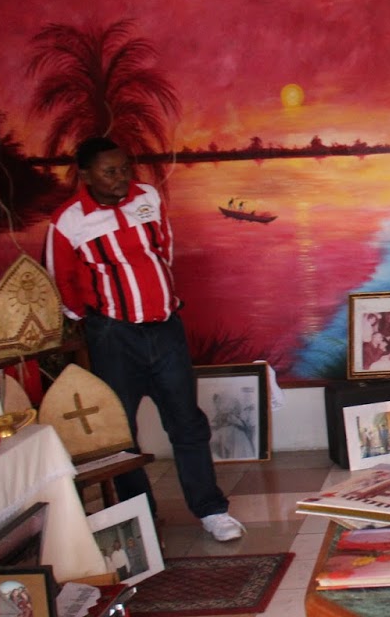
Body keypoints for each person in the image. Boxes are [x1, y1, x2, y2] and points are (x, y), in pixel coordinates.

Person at [45, 136, 245, 542]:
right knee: (121, 432)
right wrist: (94, 319)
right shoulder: (68, 221)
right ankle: (140, 517)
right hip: (114, 336)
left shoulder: (148, 197)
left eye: (124, 169)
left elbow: (163, 250)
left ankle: (211, 510)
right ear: (85, 175)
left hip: (166, 328)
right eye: (110, 171)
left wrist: (156, 297)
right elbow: (60, 278)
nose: (121, 178)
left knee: (187, 421)